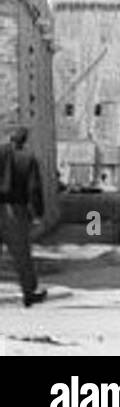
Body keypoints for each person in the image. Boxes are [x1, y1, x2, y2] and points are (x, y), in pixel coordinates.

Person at [0, 126, 47, 307]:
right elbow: (34, 189)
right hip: (15, 210)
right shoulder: (28, 159)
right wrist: (38, 213)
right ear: (24, 140)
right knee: (22, 255)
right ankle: (29, 293)